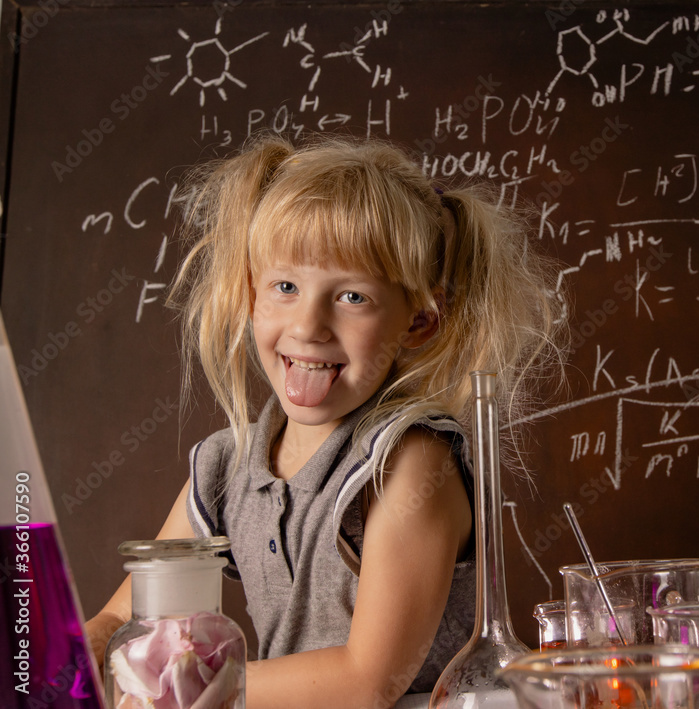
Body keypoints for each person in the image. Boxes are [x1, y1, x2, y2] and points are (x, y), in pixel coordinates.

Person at [85, 133, 568, 709]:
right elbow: (126, 613)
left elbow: (367, 682)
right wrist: (82, 654)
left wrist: (182, 691)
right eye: (285, 286)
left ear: (418, 322)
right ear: (251, 295)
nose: (309, 324)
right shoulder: (227, 464)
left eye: (352, 297)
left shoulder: (409, 459)